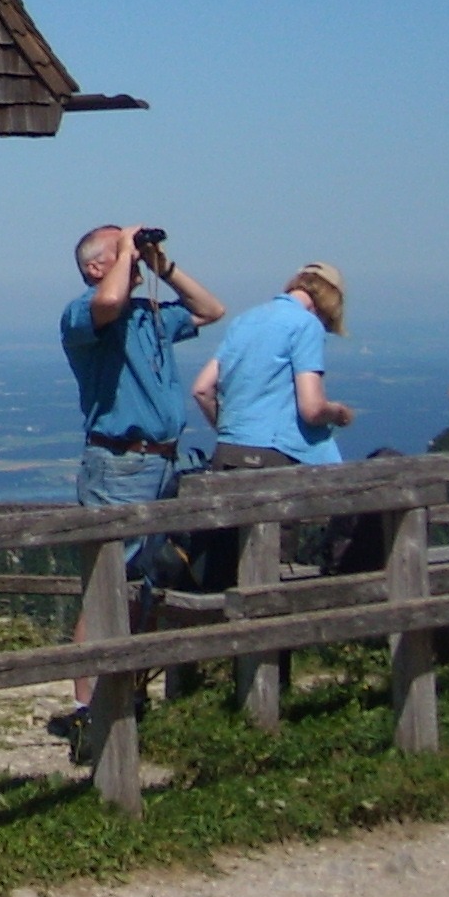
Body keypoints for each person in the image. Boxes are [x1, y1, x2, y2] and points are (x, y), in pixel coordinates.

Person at [49, 224, 227, 750]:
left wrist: (161, 266)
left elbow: (211, 309)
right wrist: (127, 250)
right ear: (95, 267)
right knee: (107, 584)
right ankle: (89, 709)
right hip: (120, 464)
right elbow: (107, 302)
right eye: (121, 254)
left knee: (146, 582)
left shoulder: (149, 315)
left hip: (164, 462)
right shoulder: (82, 315)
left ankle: (123, 690)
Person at [193, 262, 356, 467]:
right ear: (330, 300)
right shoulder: (306, 324)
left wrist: (232, 431)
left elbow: (202, 389)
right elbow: (312, 409)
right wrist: (338, 413)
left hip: (228, 451)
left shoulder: (243, 321)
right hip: (278, 454)